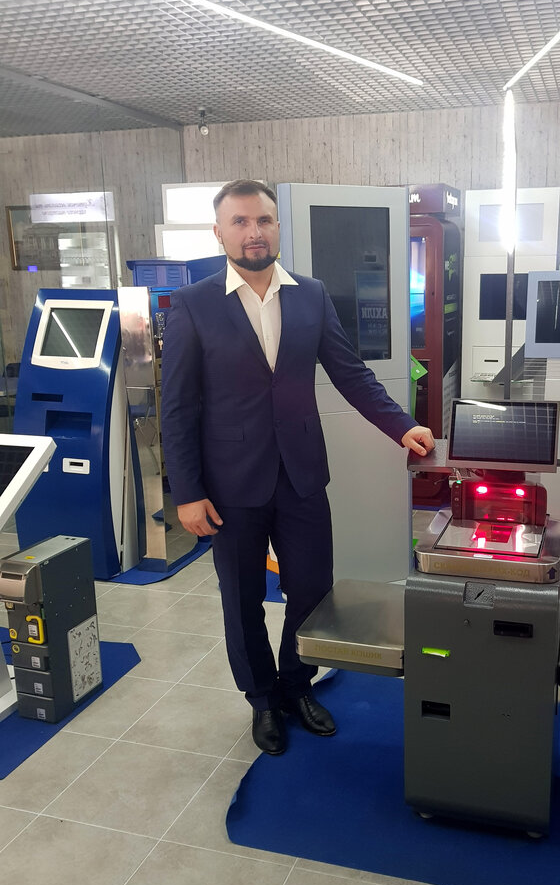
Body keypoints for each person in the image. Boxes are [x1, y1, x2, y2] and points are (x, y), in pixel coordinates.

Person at [161, 179, 434, 756]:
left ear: (277, 227)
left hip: (302, 474)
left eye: (262, 220)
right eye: (239, 222)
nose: (253, 232)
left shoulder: (311, 295)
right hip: (229, 483)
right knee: (241, 600)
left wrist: (400, 425)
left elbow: (350, 371)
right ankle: (262, 699)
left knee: (312, 588)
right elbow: (178, 406)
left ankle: (296, 683)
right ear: (219, 233)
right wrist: (186, 491)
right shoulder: (193, 304)